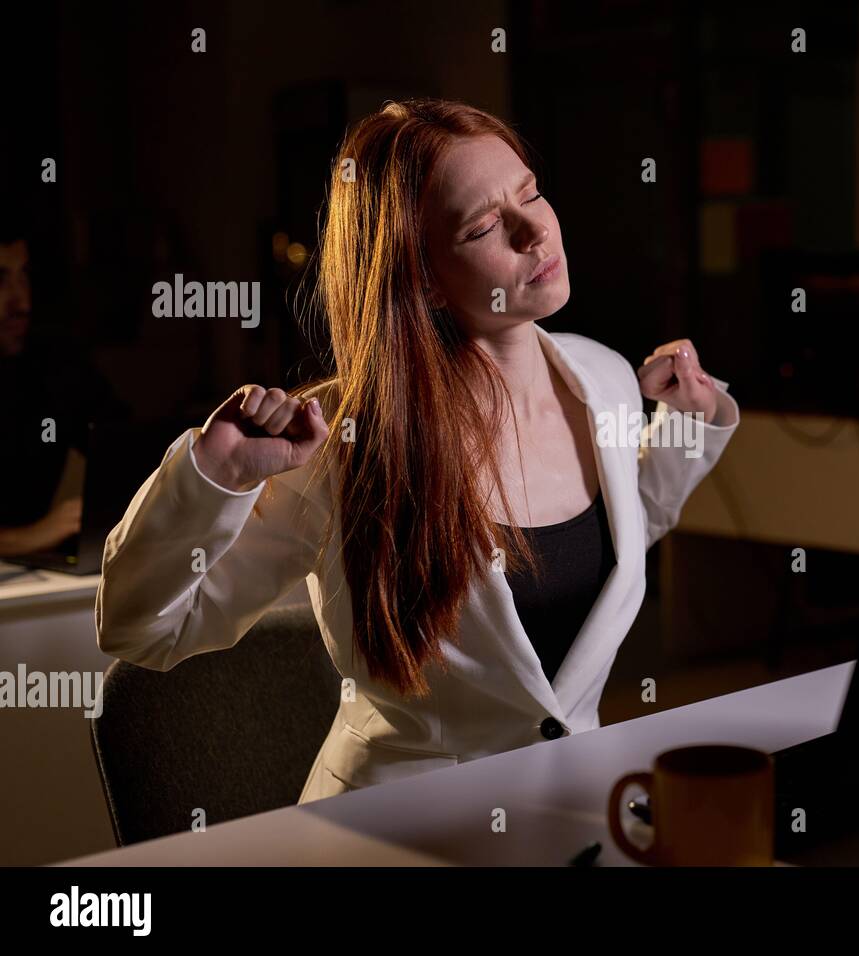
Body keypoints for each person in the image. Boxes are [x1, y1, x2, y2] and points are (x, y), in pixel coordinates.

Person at [95, 99, 740, 803]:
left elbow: (625, 528)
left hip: (569, 814)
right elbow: (142, 630)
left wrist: (685, 423)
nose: (535, 231)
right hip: (397, 829)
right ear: (423, 277)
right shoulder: (336, 445)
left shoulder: (607, 378)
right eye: (486, 224)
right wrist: (211, 479)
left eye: (529, 192)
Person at [0, 215, 125, 559]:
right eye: (0, 280)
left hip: (34, 576)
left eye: (24, 276)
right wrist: (28, 537)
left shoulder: (53, 362)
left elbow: (122, 441)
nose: (20, 302)